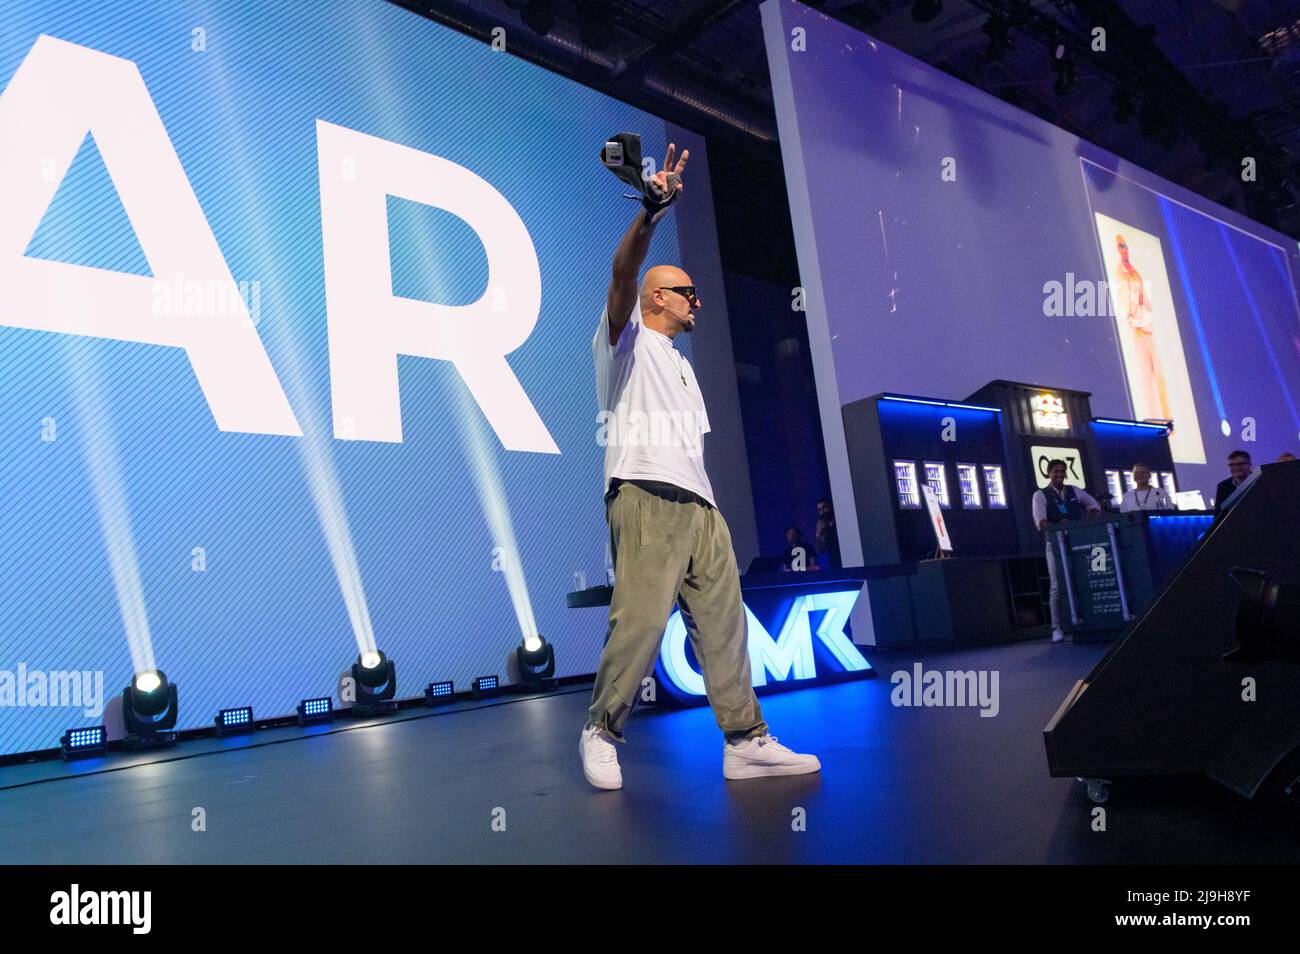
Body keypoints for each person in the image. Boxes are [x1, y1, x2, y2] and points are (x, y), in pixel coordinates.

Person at [581, 141, 820, 791]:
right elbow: (624, 272)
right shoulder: (624, 339)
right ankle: (601, 730)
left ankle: (745, 742)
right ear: (657, 299)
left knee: (723, 624)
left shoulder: (684, 366)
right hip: (645, 492)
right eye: (687, 293)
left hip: (699, 504)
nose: (697, 302)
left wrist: (708, 508)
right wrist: (652, 214)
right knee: (642, 619)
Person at [1032, 459, 1101, 643]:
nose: (1060, 474)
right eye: (1056, 471)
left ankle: (1085, 621)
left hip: (1077, 543)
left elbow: (1094, 505)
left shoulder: (1074, 490)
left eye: (1062, 471)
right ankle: (1057, 627)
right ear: (1048, 473)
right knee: (1056, 585)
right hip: (1054, 544)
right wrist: (1058, 527)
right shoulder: (1040, 495)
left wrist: (1084, 524)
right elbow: (1041, 522)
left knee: (1082, 580)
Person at [1114, 234, 1171, 421]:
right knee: (1147, 380)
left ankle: (1168, 419)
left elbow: (1146, 299)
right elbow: (1125, 304)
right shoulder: (1120, 273)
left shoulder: (1135, 271)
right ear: (1118, 249)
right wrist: (1134, 305)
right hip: (1138, 331)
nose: (1125, 250)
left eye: (1126, 246)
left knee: (1160, 376)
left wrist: (1144, 303)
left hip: (1149, 328)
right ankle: (1155, 422)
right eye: (1121, 246)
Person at [1214, 450, 1253, 514]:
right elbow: (1219, 513)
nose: (1236, 467)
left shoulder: (1260, 480)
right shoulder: (1223, 486)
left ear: (1249, 465)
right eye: (1232, 465)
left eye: (1240, 464)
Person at [814, 498, 841, 569]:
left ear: (830, 507)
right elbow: (820, 550)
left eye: (824, 507)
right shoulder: (822, 525)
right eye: (819, 510)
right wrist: (818, 534)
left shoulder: (840, 518)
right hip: (834, 559)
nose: (822, 511)